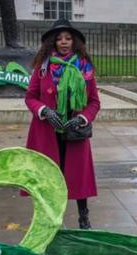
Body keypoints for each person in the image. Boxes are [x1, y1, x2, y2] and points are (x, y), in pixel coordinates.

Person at [25, 19, 100, 229]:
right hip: (47, 132)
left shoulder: (85, 68)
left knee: (78, 176)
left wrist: (82, 118)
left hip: (75, 131)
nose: (64, 42)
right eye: (59, 39)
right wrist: (45, 111)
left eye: (68, 38)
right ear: (53, 42)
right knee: (49, 175)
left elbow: (94, 102)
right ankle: (51, 218)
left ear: (74, 41)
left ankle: (83, 217)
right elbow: (30, 97)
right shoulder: (43, 67)